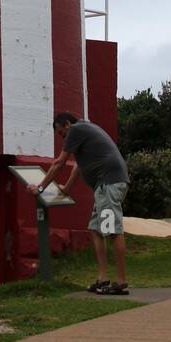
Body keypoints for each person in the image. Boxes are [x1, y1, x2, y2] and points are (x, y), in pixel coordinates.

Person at [28, 112, 130, 295]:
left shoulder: (76, 130)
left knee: (112, 231)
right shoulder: (86, 129)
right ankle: (102, 277)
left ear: (67, 124)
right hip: (104, 186)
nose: (62, 138)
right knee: (96, 229)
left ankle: (121, 282)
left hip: (108, 184)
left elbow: (59, 162)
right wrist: (66, 188)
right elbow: (78, 165)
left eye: (61, 134)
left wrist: (41, 188)